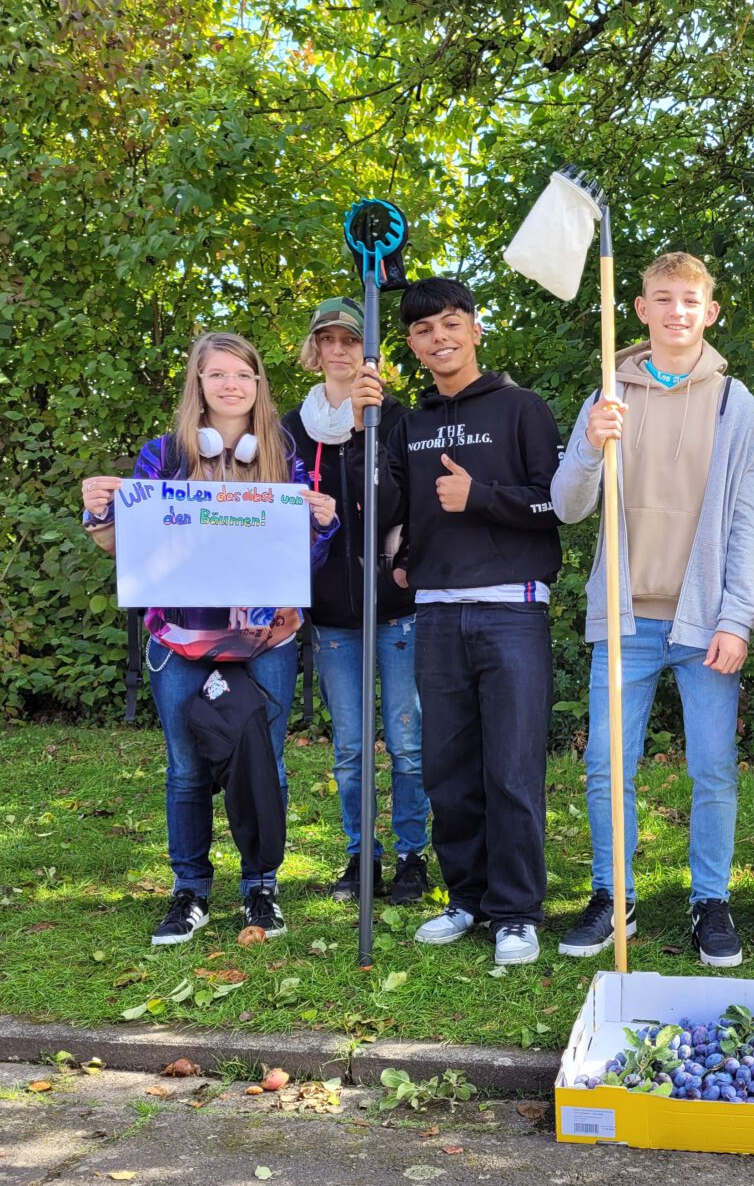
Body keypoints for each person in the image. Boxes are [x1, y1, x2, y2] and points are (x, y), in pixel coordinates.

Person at [551, 252, 754, 969]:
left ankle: (712, 899)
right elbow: (567, 503)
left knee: (714, 767)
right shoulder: (609, 395)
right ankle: (615, 895)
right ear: (640, 309)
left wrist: (737, 618)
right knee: (607, 766)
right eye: (662, 298)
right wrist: (589, 444)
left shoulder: (735, 404)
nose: (677, 311)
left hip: (706, 620)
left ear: (711, 312)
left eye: (691, 300)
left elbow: (749, 522)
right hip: (625, 617)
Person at [80, 332, 337, 945]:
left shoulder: (281, 453)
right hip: (179, 640)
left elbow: (305, 559)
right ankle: (188, 890)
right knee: (186, 770)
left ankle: (261, 888)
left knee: (263, 765)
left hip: (266, 641)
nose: (231, 386)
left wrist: (322, 526)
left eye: (243, 376)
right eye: (217, 374)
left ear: (258, 386)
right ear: (198, 384)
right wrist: (99, 512)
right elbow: (122, 546)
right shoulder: (162, 455)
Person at [352, 277, 563, 967]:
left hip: (513, 609)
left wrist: (481, 497)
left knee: (511, 767)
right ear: (410, 346)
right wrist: (365, 431)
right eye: (422, 330)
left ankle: (517, 910)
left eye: (449, 323)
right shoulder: (405, 423)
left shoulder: (523, 408)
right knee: (448, 768)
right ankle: (467, 896)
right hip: (436, 614)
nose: (438, 338)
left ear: (475, 328)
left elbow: (554, 506)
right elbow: (379, 512)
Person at [281, 297, 430, 905]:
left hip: (394, 608)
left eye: (350, 340)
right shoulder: (290, 426)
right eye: (328, 340)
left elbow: (404, 509)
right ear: (314, 351)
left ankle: (411, 856)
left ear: (369, 353)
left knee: (407, 742)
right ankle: (358, 856)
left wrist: (369, 426)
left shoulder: (394, 418)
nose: (339, 351)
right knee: (348, 746)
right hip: (332, 612)